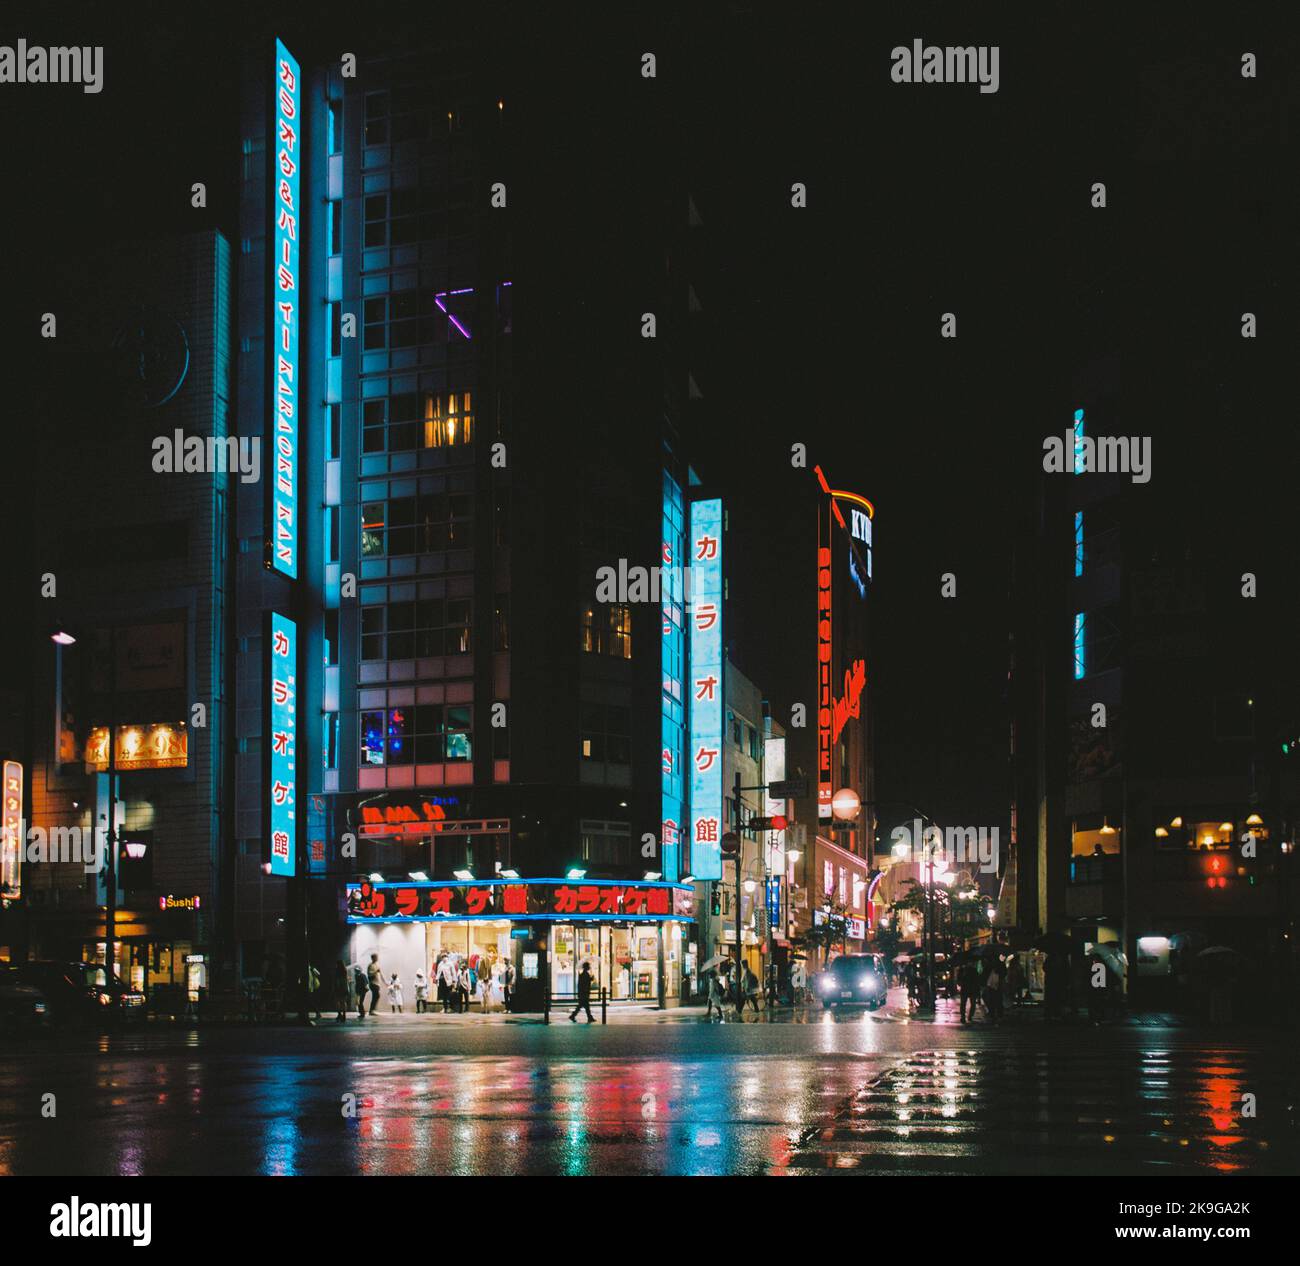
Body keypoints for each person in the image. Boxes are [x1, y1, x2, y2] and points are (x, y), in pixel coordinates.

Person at [958, 959, 980, 1025]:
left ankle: (968, 1016)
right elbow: (959, 980)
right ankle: (965, 1017)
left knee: (969, 1003)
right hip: (967, 989)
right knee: (964, 1004)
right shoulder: (963, 970)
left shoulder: (972, 970)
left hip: (970, 989)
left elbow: (976, 980)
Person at [366, 953, 383, 1017]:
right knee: (376, 995)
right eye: (376, 957)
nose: (377, 958)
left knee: (376, 996)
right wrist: (376, 971)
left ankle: (372, 1010)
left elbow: (380, 974)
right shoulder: (370, 965)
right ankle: (371, 1010)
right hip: (373, 983)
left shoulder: (376, 965)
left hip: (377, 983)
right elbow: (369, 974)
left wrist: (385, 982)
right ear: (373, 958)